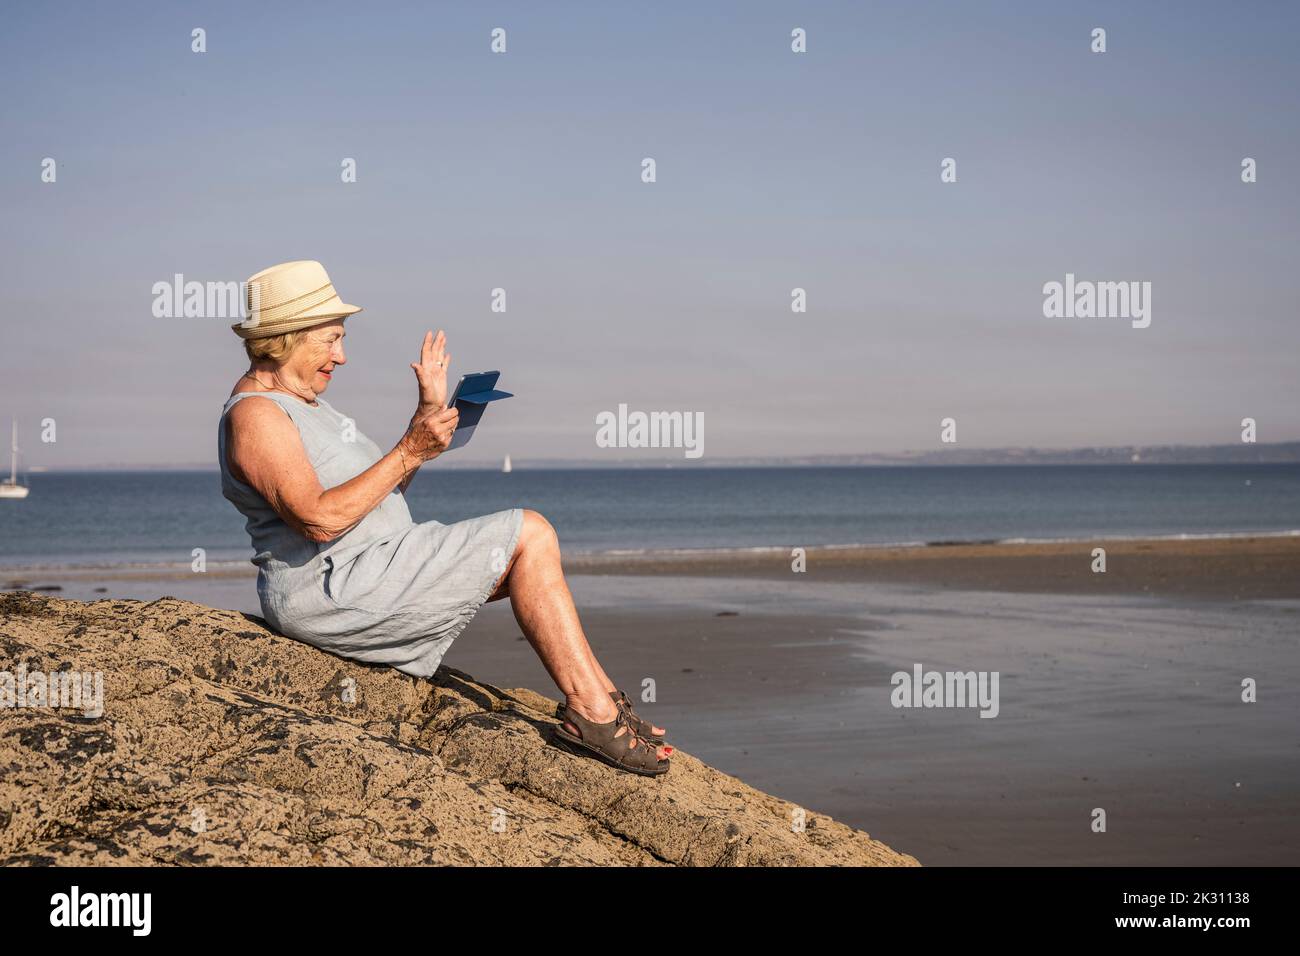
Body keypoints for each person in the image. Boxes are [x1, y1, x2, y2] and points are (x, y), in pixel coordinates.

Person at [217, 260, 672, 775]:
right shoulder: (255, 416)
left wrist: (423, 418)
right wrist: (410, 450)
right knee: (530, 532)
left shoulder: (304, 405)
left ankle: (603, 699)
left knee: (524, 556)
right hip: (332, 589)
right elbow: (317, 520)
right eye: (331, 339)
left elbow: (372, 498)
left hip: (372, 565)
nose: (341, 357)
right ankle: (592, 711)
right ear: (286, 337)